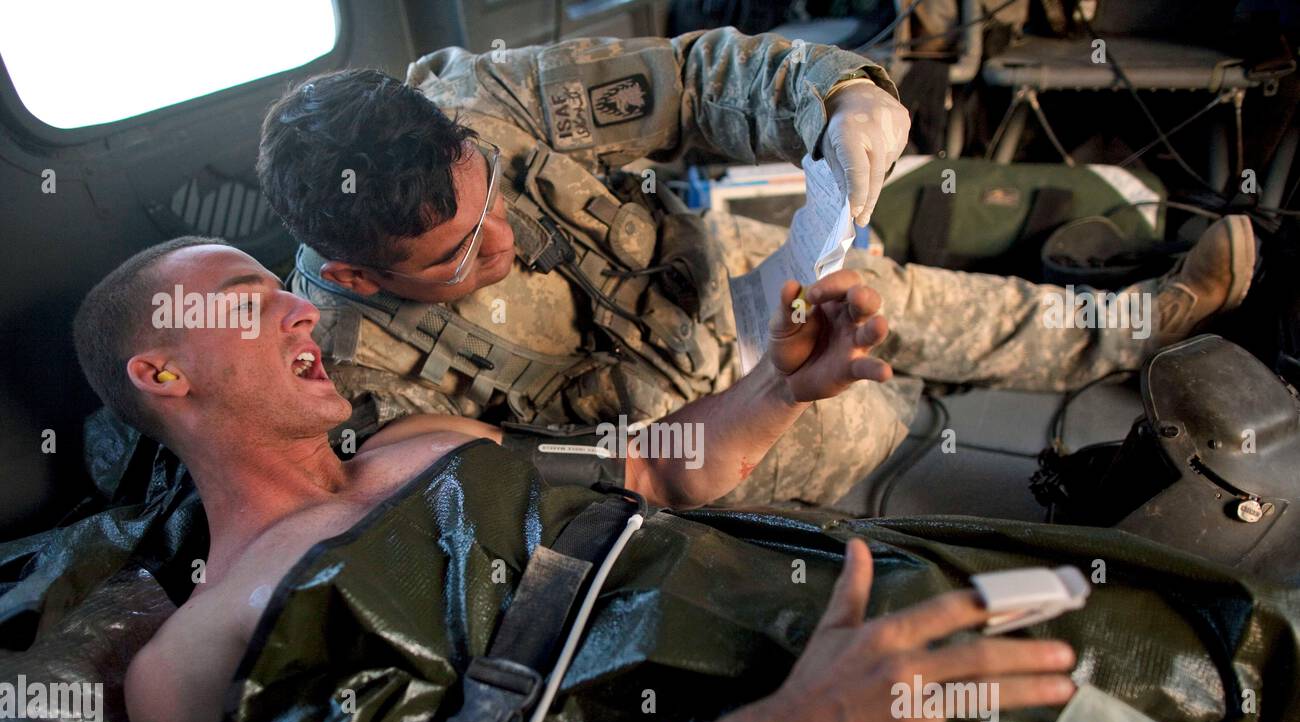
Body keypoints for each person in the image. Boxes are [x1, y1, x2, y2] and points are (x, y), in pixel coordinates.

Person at [75, 238, 1076, 722]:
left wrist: (776, 384)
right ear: (162, 374)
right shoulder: (186, 665)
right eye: (249, 301)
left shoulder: (432, 435)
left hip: (835, 599)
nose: (299, 308)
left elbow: (656, 469)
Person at [257, 27, 1256, 509]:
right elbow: (553, 497)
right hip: (706, 439)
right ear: (355, 278)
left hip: (723, 281)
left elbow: (690, 79)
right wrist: (762, 399)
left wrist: (836, 100)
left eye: (492, 202)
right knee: (903, 476)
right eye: (460, 254)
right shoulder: (361, 377)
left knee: (911, 299)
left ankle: (1147, 320)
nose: (501, 240)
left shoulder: (483, 100)